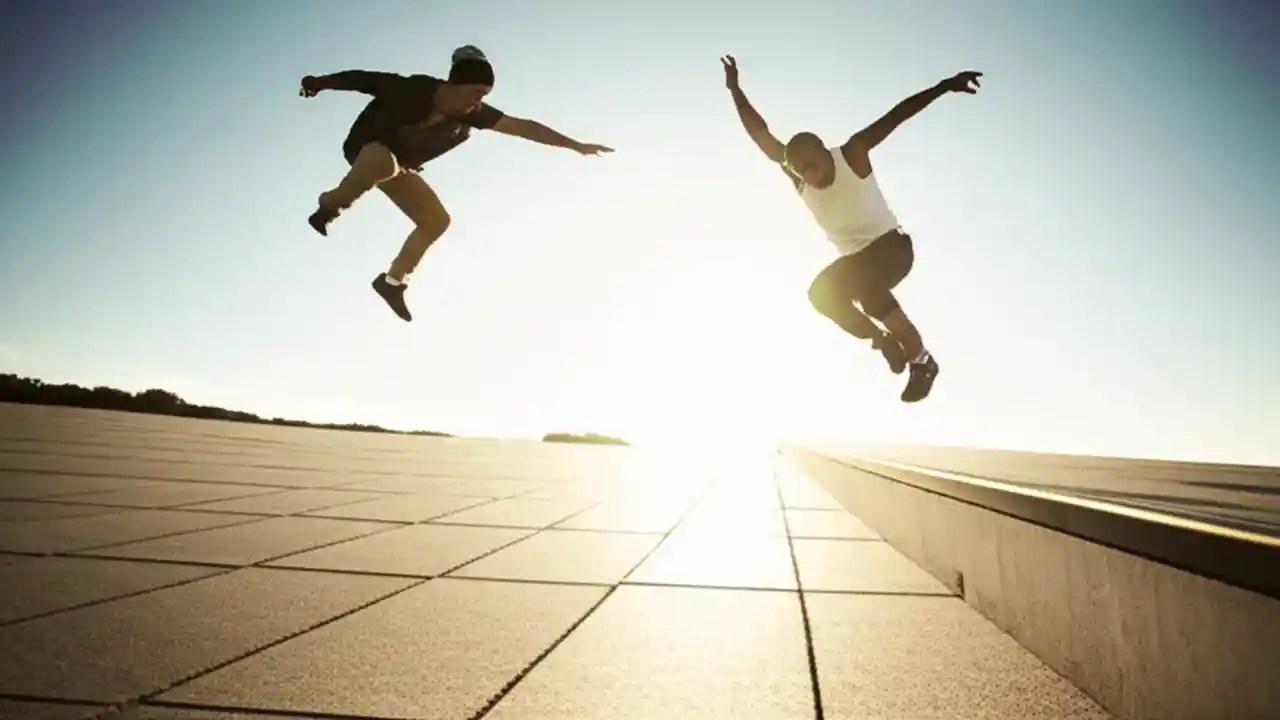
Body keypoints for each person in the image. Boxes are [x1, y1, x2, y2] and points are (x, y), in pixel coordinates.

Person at [720, 55, 981, 403]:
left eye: (813, 166)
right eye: (800, 172)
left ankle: (922, 360)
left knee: (867, 288)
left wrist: (945, 86)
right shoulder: (800, 178)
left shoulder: (853, 154)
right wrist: (735, 89)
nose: (810, 177)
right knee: (821, 294)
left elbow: (898, 115)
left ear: (824, 153)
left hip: (893, 249)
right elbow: (760, 133)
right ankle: (885, 343)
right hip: (859, 261)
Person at [299, 46, 614, 322]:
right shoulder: (412, 89)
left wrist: (576, 145)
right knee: (381, 162)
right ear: (452, 85)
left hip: (400, 168)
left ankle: (392, 282)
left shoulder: (475, 114)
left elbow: (523, 127)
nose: (478, 101)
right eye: (475, 92)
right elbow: (360, 79)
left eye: (484, 95)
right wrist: (318, 83)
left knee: (437, 220)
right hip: (366, 149)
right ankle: (328, 208)